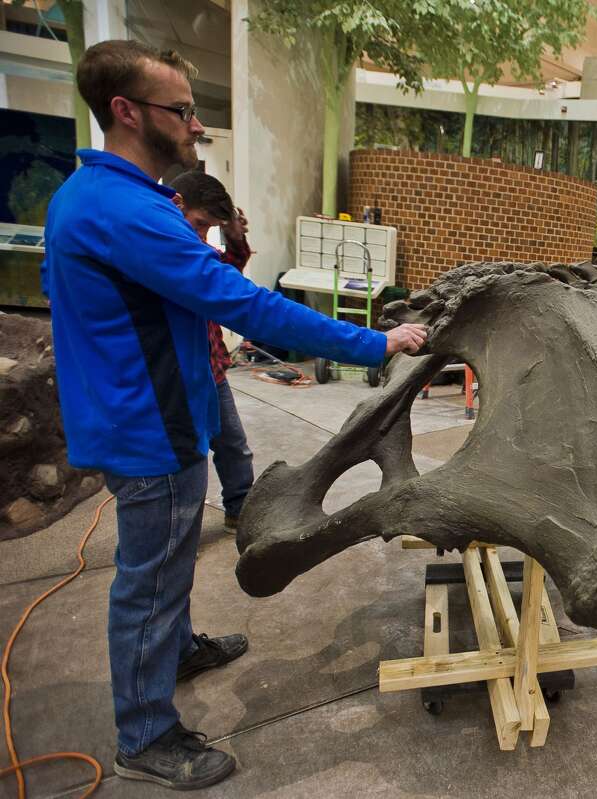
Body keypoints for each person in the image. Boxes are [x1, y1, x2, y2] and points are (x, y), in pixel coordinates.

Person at [41, 40, 427, 791]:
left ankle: (177, 648)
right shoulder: (125, 210)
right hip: (149, 431)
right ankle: (146, 735)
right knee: (149, 580)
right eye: (180, 110)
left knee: (170, 563)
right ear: (125, 111)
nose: (193, 124)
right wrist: (372, 340)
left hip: (151, 417)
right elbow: (245, 306)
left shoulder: (107, 199)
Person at [168, 170, 253, 533]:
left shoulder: (198, 252)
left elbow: (226, 275)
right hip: (174, 376)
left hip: (212, 369)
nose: (202, 236)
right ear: (176, 205)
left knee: (233, 444)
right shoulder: (160, 249)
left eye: (209, 230)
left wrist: (235, 239)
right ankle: (177, 533)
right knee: (188, 457)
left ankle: (241, 510)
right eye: (200, 224)